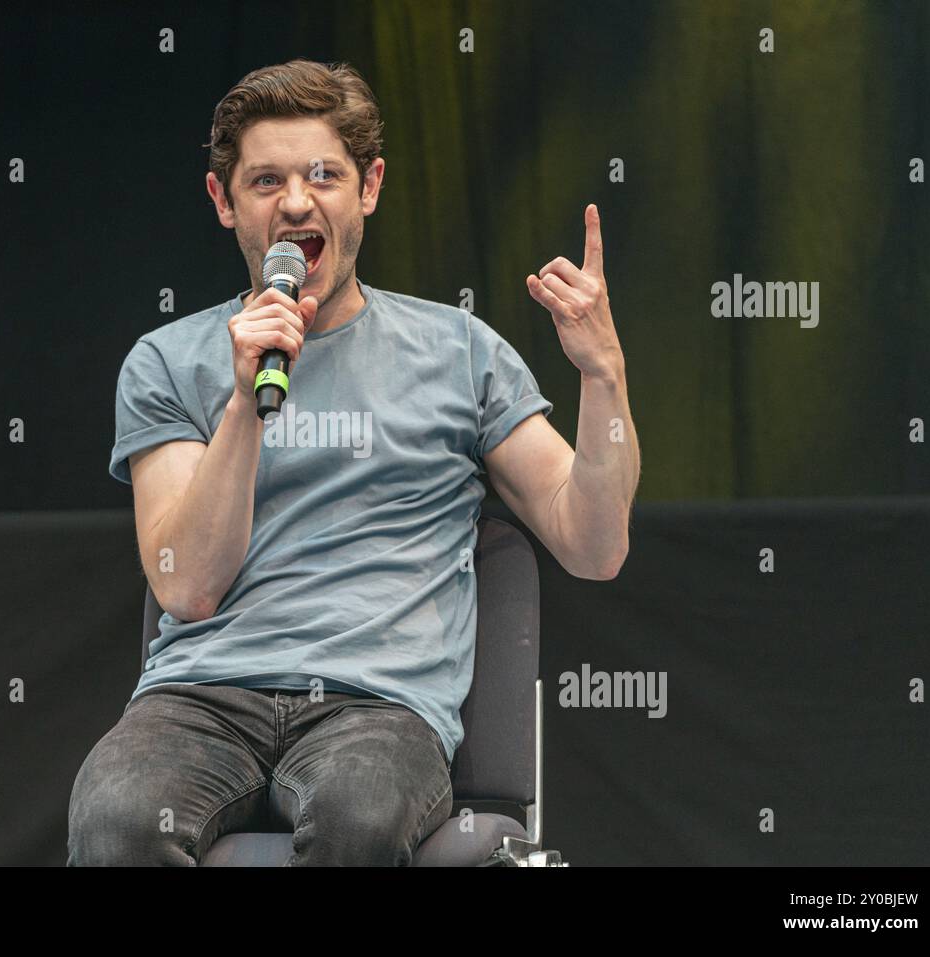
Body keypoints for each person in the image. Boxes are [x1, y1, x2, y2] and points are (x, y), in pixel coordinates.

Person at [68, 58, 640, 866]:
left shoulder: (461, 353)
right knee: (115, 817)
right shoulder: (167, 361)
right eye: (265, 180)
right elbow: (187, 585)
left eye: (323, 175)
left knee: (357, 815)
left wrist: (603, 375)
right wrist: (243, 401)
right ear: (223, 202)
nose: (296, 201)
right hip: (200, 699)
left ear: (368, 188)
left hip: (379, 705)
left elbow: (596, 545)